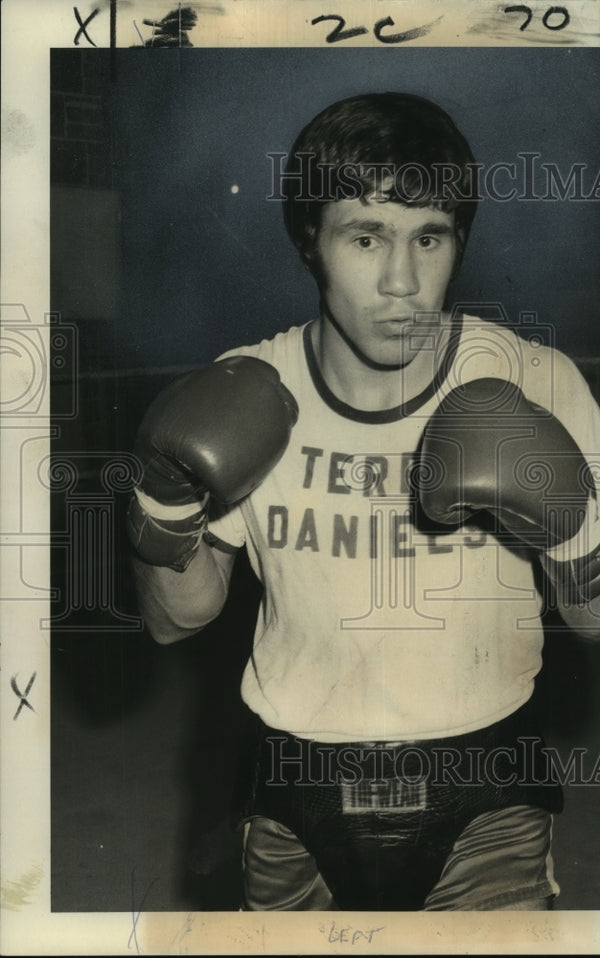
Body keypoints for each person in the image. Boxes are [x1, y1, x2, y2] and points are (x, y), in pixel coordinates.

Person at [128, 93, 600, 911]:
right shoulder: (250, 388)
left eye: (429, 237)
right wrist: (165, 507)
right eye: (366, 236)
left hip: (491, 780)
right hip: (292, 785)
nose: (402, 281)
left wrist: (575, 533)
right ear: (309, 242)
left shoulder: (534, 382)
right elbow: (178, 618)